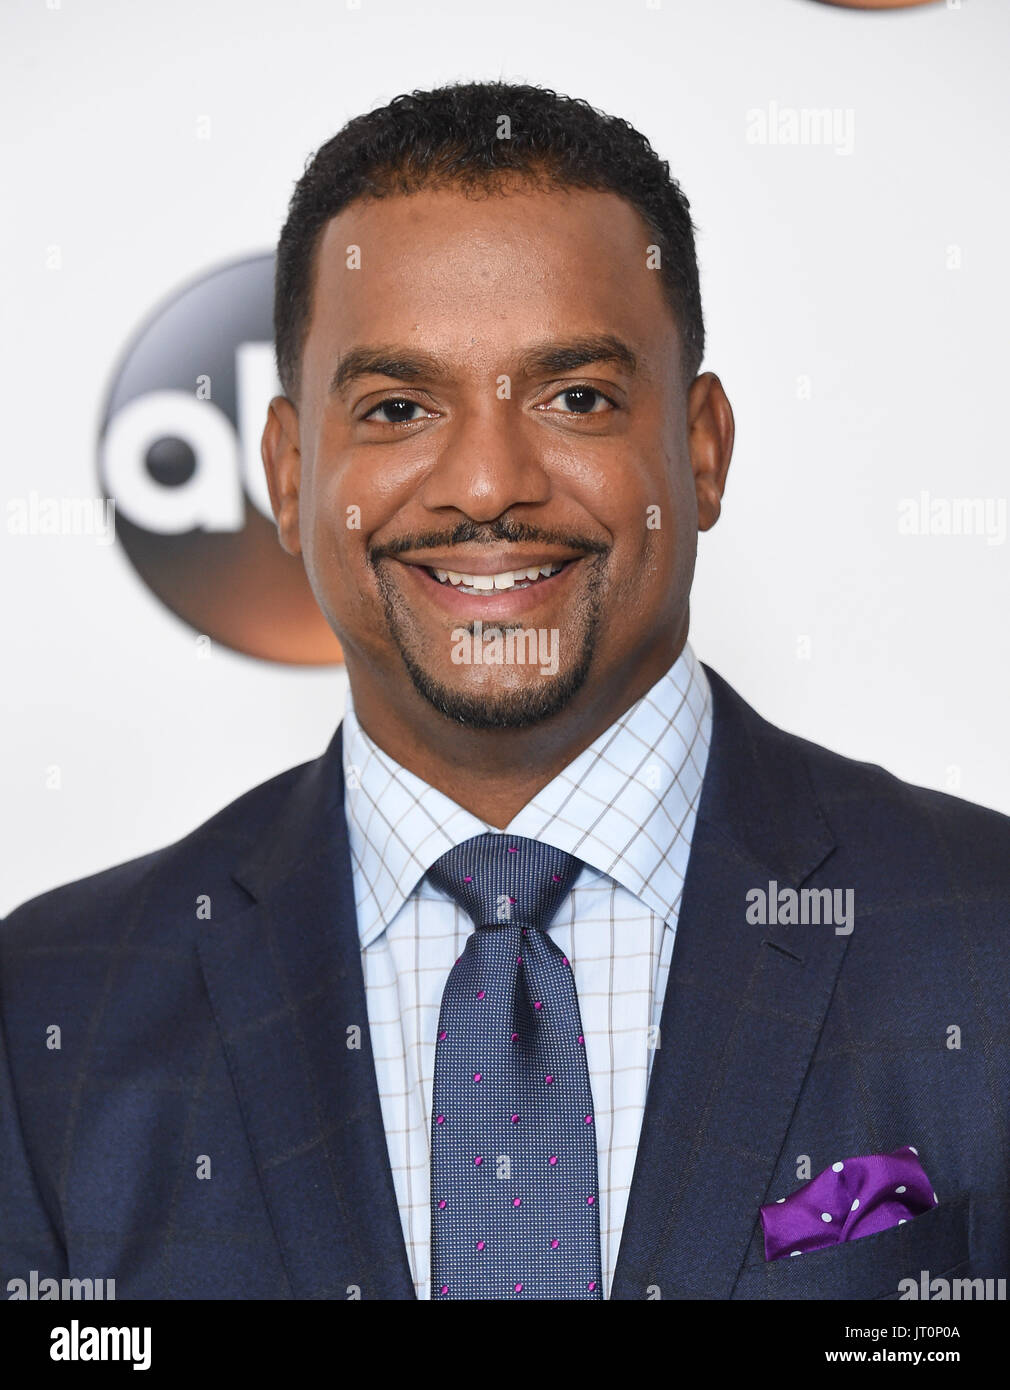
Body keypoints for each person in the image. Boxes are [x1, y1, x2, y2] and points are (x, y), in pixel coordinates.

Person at [2, 81, 1007, 1302]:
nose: (485, 482)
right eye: (398, 407)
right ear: (286, 468)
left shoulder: (978, 940)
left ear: (700, 450)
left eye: (573, 397)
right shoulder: (50, 1011)